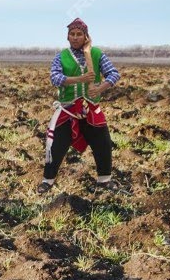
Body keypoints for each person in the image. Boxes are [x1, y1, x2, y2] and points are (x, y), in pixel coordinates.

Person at [39, 18, 121, 194]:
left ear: (86, 36)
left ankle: (104, 180)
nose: (75, 37)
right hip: (68, 109)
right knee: (56, 145)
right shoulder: (61, 56)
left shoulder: (97, 54)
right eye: (72, 34)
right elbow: (55, 78)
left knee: (103, 143)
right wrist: (80, 80)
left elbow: (113, 74)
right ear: (67, 37)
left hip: (91, 108)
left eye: (79, 34)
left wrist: (101, 87)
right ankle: (48, 181)